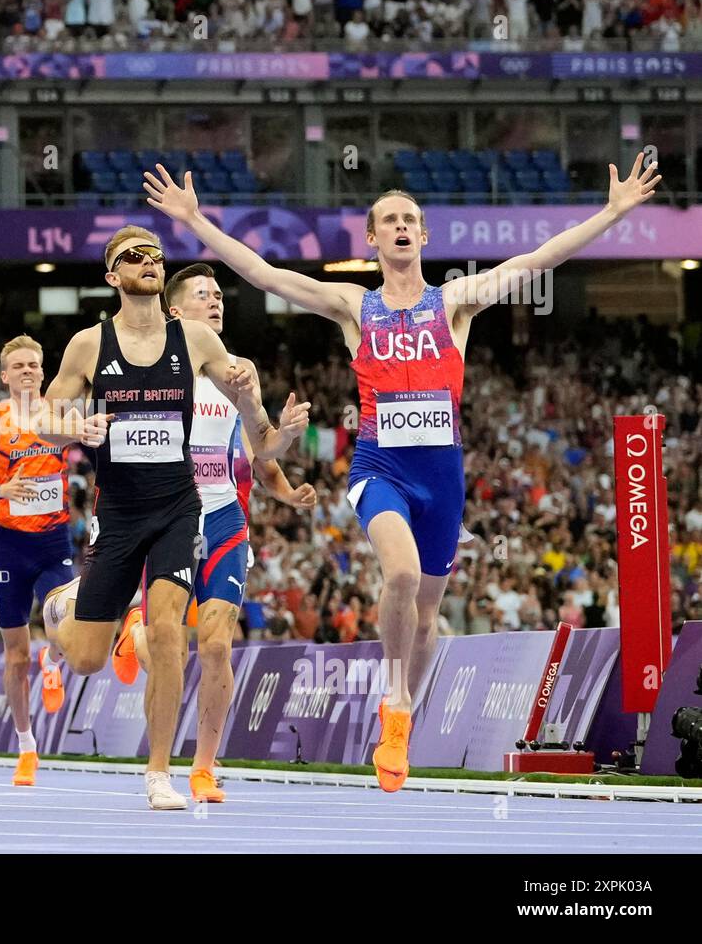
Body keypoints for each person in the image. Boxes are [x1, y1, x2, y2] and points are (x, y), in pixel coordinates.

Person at [142, 154, 661, 792]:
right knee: (404, 574)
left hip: (442, 475)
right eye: (388, 219)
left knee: (426, 615)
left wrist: (610, 212)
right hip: (379, 466)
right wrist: (196, 220)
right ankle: (393, 700)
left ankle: (405, 710)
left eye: (410, 219)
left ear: (424, 235)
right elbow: (263, 271)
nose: (401, 227)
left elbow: (537, 261)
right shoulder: (354, 306)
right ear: (372, 238)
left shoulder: (455, 303)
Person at [35, 225, 310, 810]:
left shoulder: (198, 342)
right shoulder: (88, 345)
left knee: (166, 634)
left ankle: (159, 773)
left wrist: (279, 434)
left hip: (177, 509)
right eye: (133, 257)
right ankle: (61, 606)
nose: (148, 263)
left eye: (156, 256)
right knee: (85, 657)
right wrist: (73, 429)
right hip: (118, 514)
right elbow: (43, 421)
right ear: (113, 277)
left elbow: (259, 442)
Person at [114, 263, 317, 802]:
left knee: (217, 646)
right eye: (204, 295)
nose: (217, 303)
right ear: (175, 310)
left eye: (220, 295)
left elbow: (261, 446)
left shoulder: (239, 370)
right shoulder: (152, 363)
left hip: (224, 519)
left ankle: (203, 766)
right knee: (167, 645)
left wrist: (287, 446)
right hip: (167, 517)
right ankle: (131, 637)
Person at [0, 335, 75, 787]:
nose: (28, 371)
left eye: (34, 364)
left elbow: (101, 454)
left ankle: (55, 661)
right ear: (4, 375)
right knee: (14, 655)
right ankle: (27, 747)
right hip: (10, 547)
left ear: (43, 371)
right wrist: (0, 491)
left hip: (53, 542)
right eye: (18, 366)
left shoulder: (60, 415)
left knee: (66, 622)